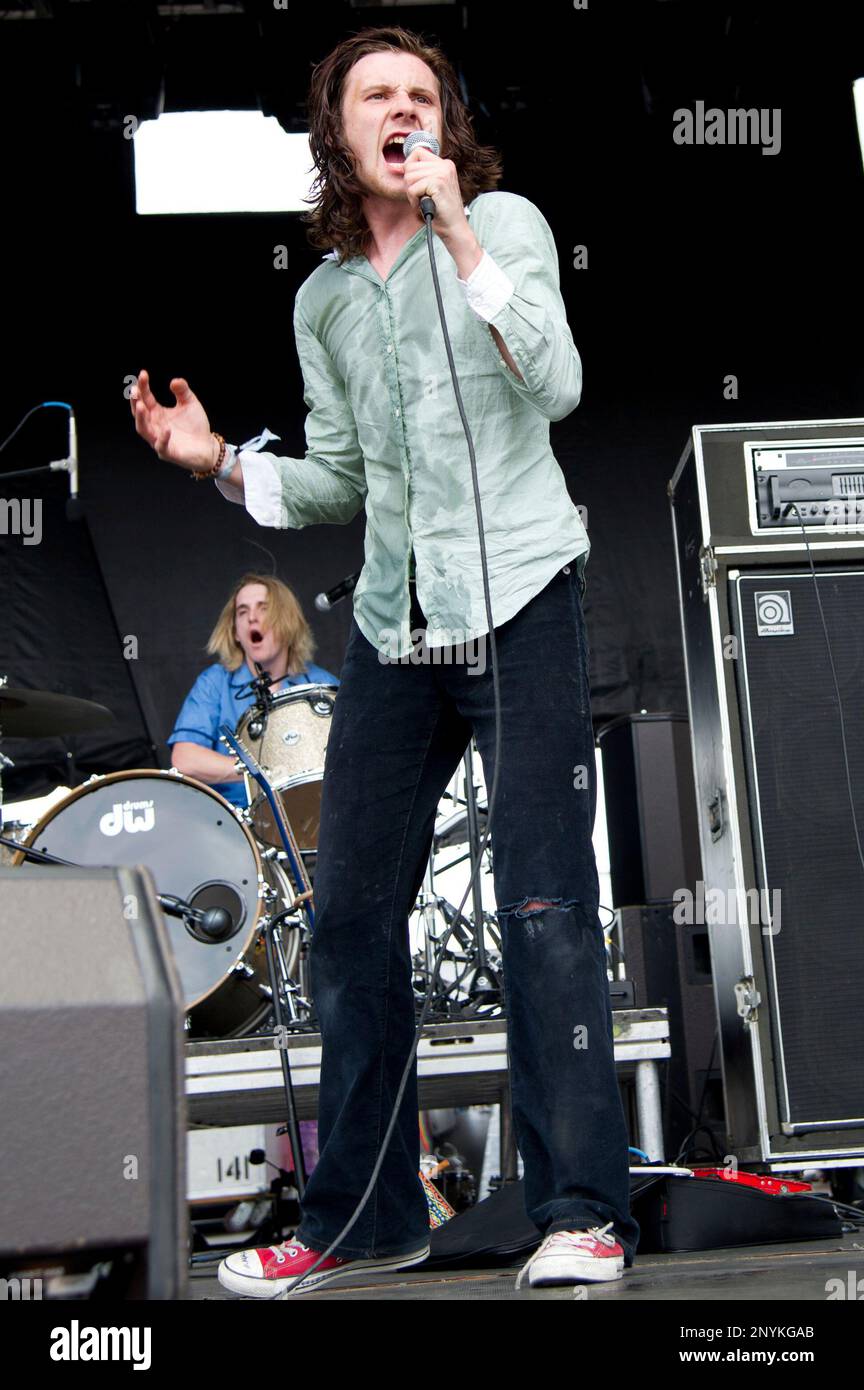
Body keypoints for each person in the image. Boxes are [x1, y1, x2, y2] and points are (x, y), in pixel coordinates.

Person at [131, 24, 640, 1295]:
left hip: (522, 591)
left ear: (444, 125)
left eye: (423, 95)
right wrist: (219, 465)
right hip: (398, 624)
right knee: (352, 915)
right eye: (378, 96)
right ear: (339, 131)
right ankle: (365, 1217)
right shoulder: (324, 297)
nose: (403, 109)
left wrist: (459, 231)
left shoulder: (507, 224)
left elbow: (560, 383)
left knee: (542, 907)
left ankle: (584, 1212)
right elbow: (342, 479)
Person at [168, 573, 338, 808]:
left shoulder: (321, 684)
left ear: (286, 620)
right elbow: (185, 759)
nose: (252, 619)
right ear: (236, 632)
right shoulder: (215, 683)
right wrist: (262, 772)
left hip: (313, 819)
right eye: (242, 612)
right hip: (236, 827)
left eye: (263, 608)